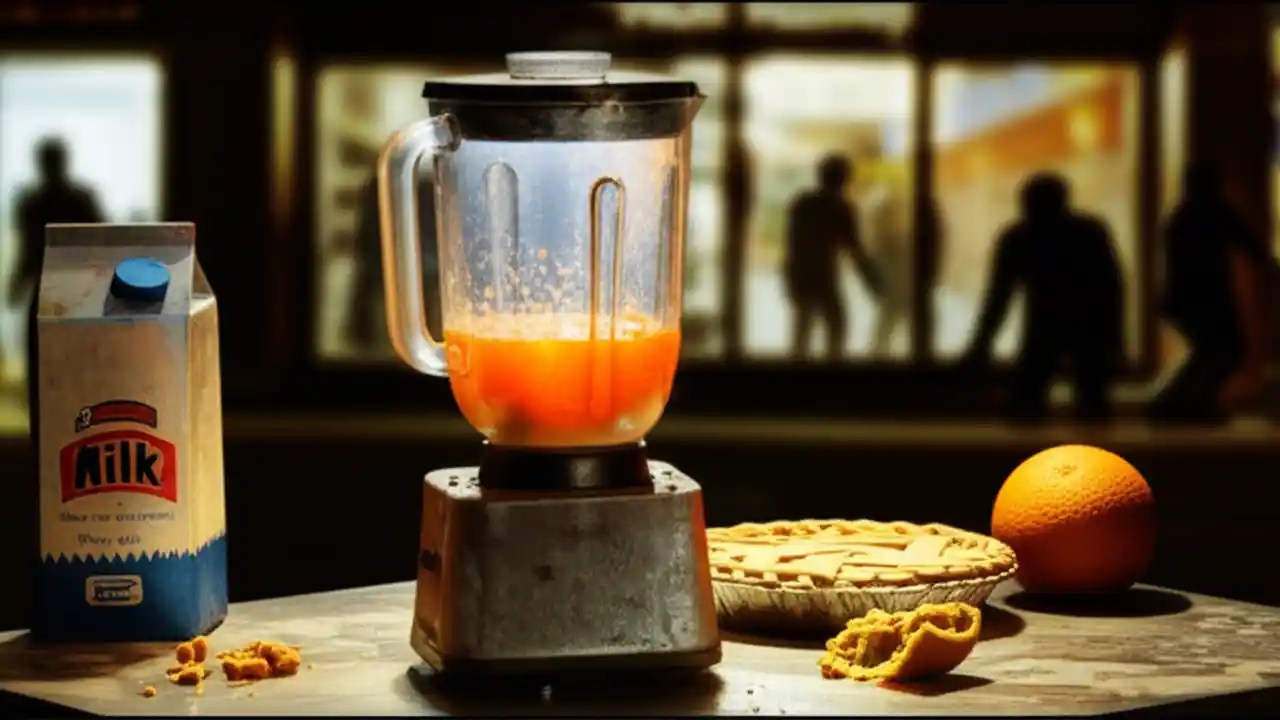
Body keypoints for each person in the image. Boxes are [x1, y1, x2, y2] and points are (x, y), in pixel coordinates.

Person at [962, 173, 1124, 419]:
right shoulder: (1088, 232)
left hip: (1044, 325)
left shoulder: (1017, 238)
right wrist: (1115, 336)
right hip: (1088, 326)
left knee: (1025, 401)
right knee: (1093, 402)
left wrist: (979, 349)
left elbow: (998, 298)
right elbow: (1111, 287)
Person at [1151, 164, 1271, 421]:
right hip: (1207, 298)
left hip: (1185, 298)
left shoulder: (1181, 216)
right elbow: (1252, 247)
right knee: (1223, 350)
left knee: (1209, 352)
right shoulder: (1214, 213)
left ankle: (1182, 401)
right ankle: (1185, 402)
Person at [11, 138, 103, 413]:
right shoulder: (79, 200)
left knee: (45, 358)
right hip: (74, 290)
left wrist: (16, 285)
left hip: (51, 289)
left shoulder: (32, 202)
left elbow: (28, 251)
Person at [784, 155, 883, 361]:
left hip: (799, 275)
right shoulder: (840, 208)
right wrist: (874, 282)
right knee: (836, 326)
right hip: (822, 278)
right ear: (844, 179)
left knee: (802, 328)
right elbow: (855, 249)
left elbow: (791, 243)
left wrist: (789, 276)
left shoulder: (801, 203)